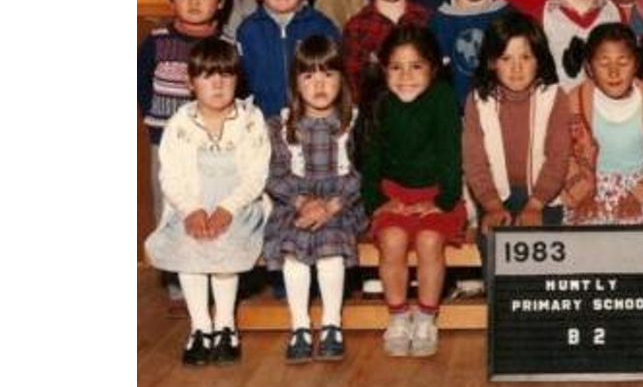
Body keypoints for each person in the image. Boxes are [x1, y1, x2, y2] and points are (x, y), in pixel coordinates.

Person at [143, 38, 270, 367]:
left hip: (239, 206)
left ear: (237, 79)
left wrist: (227, 209)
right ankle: (201, 326)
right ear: (190, 82)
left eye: (226, 75)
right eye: (206, 76)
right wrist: (191, 209)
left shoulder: (250, 120)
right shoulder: (180, 124)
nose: (217, 84)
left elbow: (256, 175)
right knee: (191, 244)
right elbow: (170, 176)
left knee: (224, 242)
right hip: (192, 205)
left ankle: (226, 324)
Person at [355, 24, 466, 358]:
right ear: (383, 68)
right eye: (396, 67)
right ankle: (399, 315)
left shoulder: (443, 98)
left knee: (430, 241)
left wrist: (442, 200)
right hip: (393, 193)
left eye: (416, 66)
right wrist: (376, 201)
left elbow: (451, 153)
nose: (406, 76)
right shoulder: (379, 100)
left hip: (436, 193)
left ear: (433, 67)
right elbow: (370, 158)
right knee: (392, 240)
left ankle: (427, 317)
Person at [263, 36, 368, 363]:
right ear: (296, 83)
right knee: (295, 247)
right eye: (308, 76)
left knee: (331, 247)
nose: (319, 84)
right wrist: (301, 202)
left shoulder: (354, 122)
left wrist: (333, 204)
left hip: (342, 203)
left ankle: (332, 324)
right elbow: (273, 174)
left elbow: (366, 171)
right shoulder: (281, 125)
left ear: (342, 79)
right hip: (297, 204)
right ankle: (300, 326)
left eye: (328, 74)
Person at [139, 0, 232, 231]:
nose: (193, 2)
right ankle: (169, 272)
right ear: (171, 0)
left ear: (221, 2)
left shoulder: (227, 45)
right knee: (167, 203)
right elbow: (139, 81)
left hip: (211, 144)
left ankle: (207, 263)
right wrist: (151, 114)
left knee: (207, 202)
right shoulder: (157, 40)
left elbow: (236, 91)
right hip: (165, 139)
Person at [462, 13, 571, 232]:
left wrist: (535, 205)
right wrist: (492, 206)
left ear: (539, 59)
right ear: (492, 62)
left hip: (544, 197)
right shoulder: (477, 101)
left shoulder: (554, 97)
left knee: (543, 250)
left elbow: (558, 159)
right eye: (506, 58)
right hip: (494, 196)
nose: (516, 68)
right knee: (495, 249)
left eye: (525, 57)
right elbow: (475, 163)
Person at [558, 23, 643, 225]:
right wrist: (583, 195)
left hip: (640, 188)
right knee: (589, 236)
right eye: (604, 63)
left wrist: (639, 195)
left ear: (637, 64)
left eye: (623, 62)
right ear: (589, 67)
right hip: (589, 187)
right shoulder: (574, 101)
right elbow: (563, 156)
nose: (614, 72)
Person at [236, 0, 340, 118]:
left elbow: (337, 77)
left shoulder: (323, 27)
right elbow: (240, 83)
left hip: (312, 119)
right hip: (263, 121)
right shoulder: (248, 31)